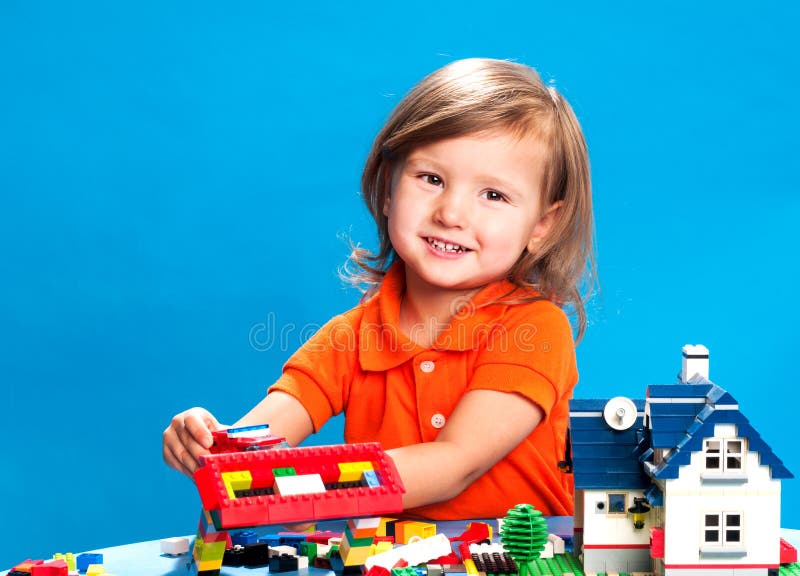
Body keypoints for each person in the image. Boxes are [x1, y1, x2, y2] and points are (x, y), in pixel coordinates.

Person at [163, 58, 594, 519]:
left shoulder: (535, 328)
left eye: (493, 195)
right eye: (431, 179)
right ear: (389, 189)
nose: (451, 213)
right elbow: (262, 436)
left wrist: (299, 488)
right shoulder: (352, 336)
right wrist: (212, 444)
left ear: (542, 225)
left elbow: (457, 463)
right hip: (389, 570)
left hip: (522, 567)